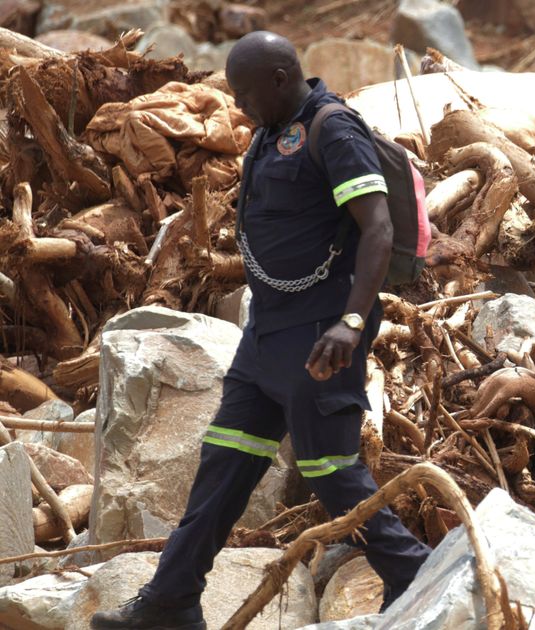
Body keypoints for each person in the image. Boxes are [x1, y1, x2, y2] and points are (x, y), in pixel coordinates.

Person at [91, 31, 431, 630]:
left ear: (280, 78)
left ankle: (420, 575)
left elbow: (376, 229)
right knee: (225, 462)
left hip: (321, 333)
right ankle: (171, 600)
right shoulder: (275, 130)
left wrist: (352, 323)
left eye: (245, 93)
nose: (239, 106)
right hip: (266, 334)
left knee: (331, 470)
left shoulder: (335, 130)